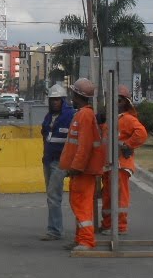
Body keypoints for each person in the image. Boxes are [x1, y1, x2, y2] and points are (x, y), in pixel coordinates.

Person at [59, 78, 105, 251]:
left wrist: (76, 168)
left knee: (82, 204)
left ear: (76, 94)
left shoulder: (84, 115)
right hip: (81, 170)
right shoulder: (83, 113)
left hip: (82, 170)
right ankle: (81, 238)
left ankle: (86, 240)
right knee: (78, 203)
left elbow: (84, 146)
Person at [100, 84, 148, 235]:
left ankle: (120, 226)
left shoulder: (127, 119)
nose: (115, 103)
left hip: (120, 165)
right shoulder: (111, 120)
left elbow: (141, 134)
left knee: (119, 196)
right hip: (109, 165)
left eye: (119, 100)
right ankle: (108, 224)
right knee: (108, 196)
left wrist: (128, 145)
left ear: (125, 103)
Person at [39, 84, 75, 241]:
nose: (54, 103)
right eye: (52, 100)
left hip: (61, 162)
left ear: (63, 100)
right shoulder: (48, 117)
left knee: (54, 195)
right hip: (48, 160)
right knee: (51, 195)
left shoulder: (70, 116)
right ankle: (54, 228)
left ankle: (55, 230)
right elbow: (45, 136)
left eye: (57, 100)